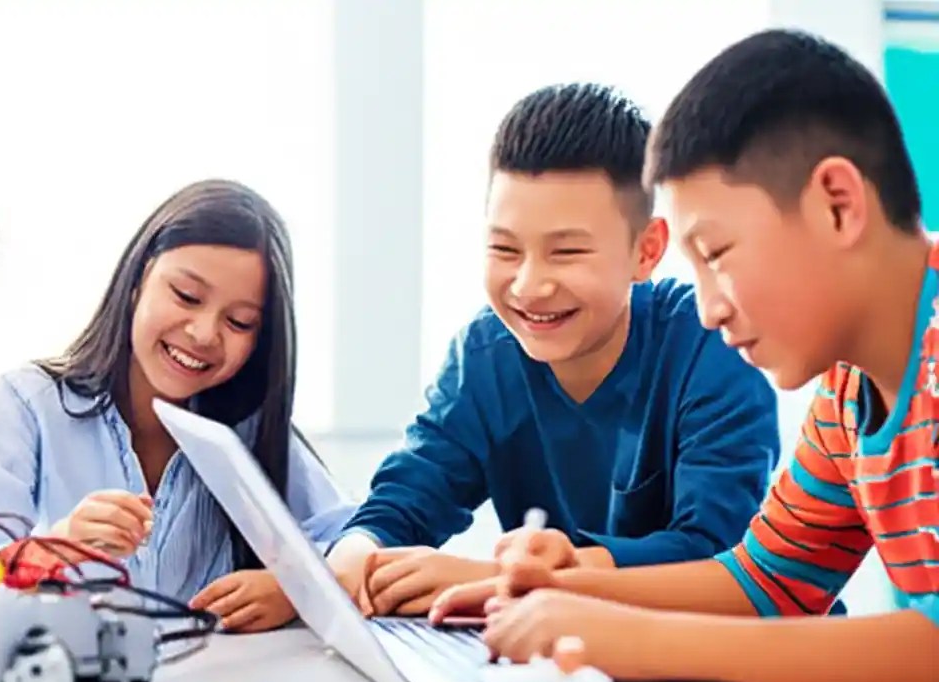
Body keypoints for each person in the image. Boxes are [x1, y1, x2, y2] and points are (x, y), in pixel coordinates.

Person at [434, 30, 939, 682]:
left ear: (837, 206)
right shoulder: (848, 392)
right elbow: (769, 580)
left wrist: (630, 638)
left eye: (718, 252)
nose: (706, 309)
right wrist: (568, 585)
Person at [325, 82, 780, 616]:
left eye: (566, 252)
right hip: (559, 654)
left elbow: (718, 560)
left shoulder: (711, 347)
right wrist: (357, 555)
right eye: (504, 248)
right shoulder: (487, 355)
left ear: (646, 251)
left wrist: (510, 578)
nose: (528, 286)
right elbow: (412, 493)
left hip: (721, 662)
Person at [0, 179, 352, 633]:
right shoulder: (28, 403)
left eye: (240, 322)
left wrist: (292, 587)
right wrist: (59, 545)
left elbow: (351, 544)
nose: (204, 333)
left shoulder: (250, 431)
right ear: (138, 280)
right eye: (186, 296)